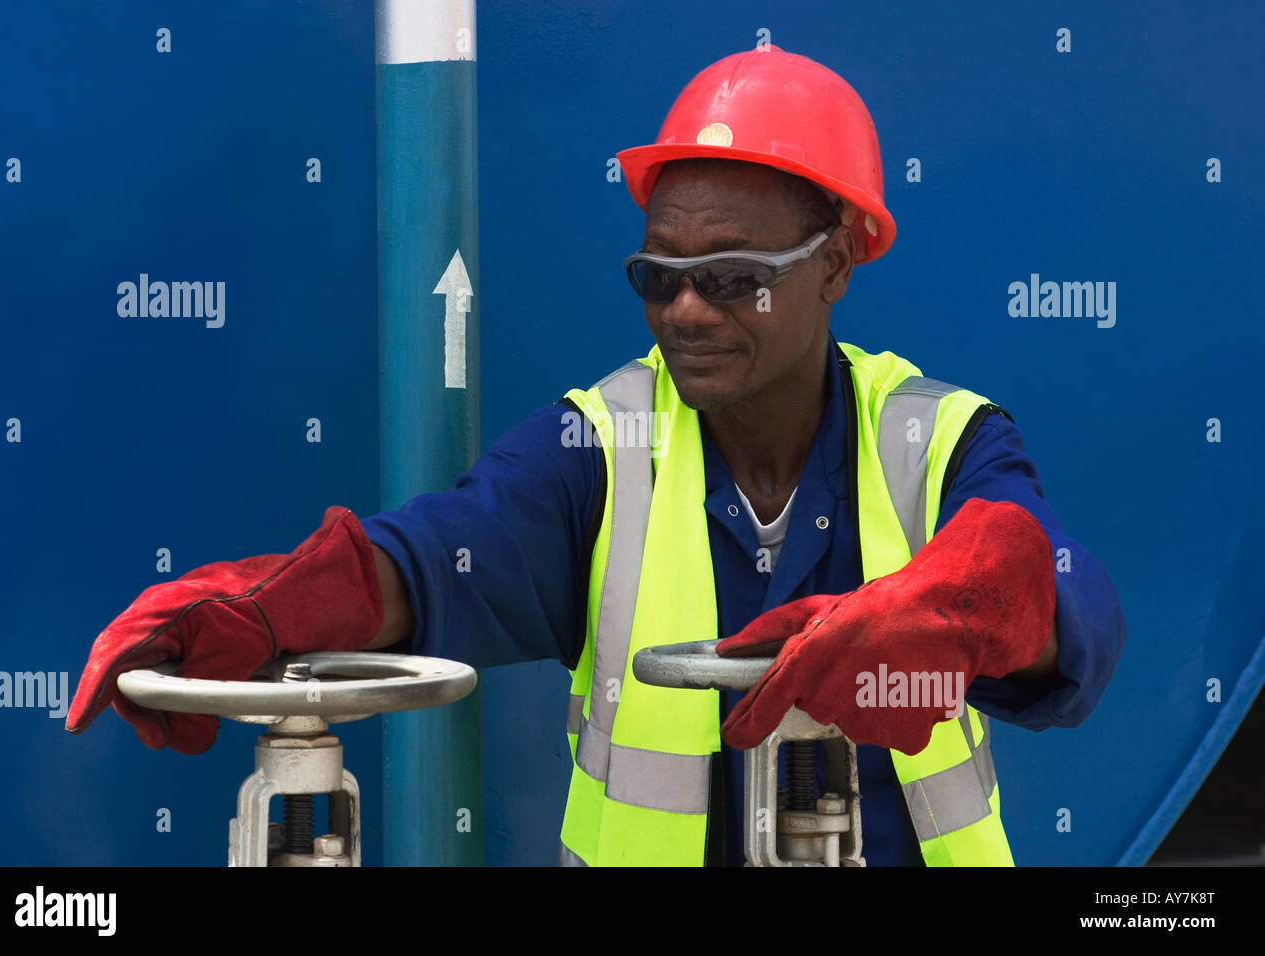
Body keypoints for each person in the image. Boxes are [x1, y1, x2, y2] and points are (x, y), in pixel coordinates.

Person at [66, 46, 1126, 867]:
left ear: (836, 263)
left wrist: (970, 599)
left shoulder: (934, 436)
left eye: (730, 276)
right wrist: (276, 608)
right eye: (656, 275)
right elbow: (436, 557)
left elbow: (1063, 614)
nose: (683, 309)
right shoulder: (596, 448)